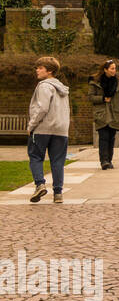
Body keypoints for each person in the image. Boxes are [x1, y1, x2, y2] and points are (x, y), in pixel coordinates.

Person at [27, 56, 70, 204]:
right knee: (58, 161)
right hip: (61, 130)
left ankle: (40, 184)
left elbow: (42, 108)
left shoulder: (44, 86)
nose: (37, 70)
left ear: (49, 71)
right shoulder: (63, 89)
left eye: (40, 68)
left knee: (35, 156)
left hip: (42, 128)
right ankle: (58, 194)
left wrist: (31, 125)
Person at [89, 59, 119, 170]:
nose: (114, 70)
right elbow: (90, 97)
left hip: (114, 113)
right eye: (112, 68)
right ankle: (104, 161)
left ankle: (109, 160)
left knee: (111, 138)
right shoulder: (95, 82)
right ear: (105, 69)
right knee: (103, 137)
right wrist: (102, 98)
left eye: (115, 68)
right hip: (101, 113)